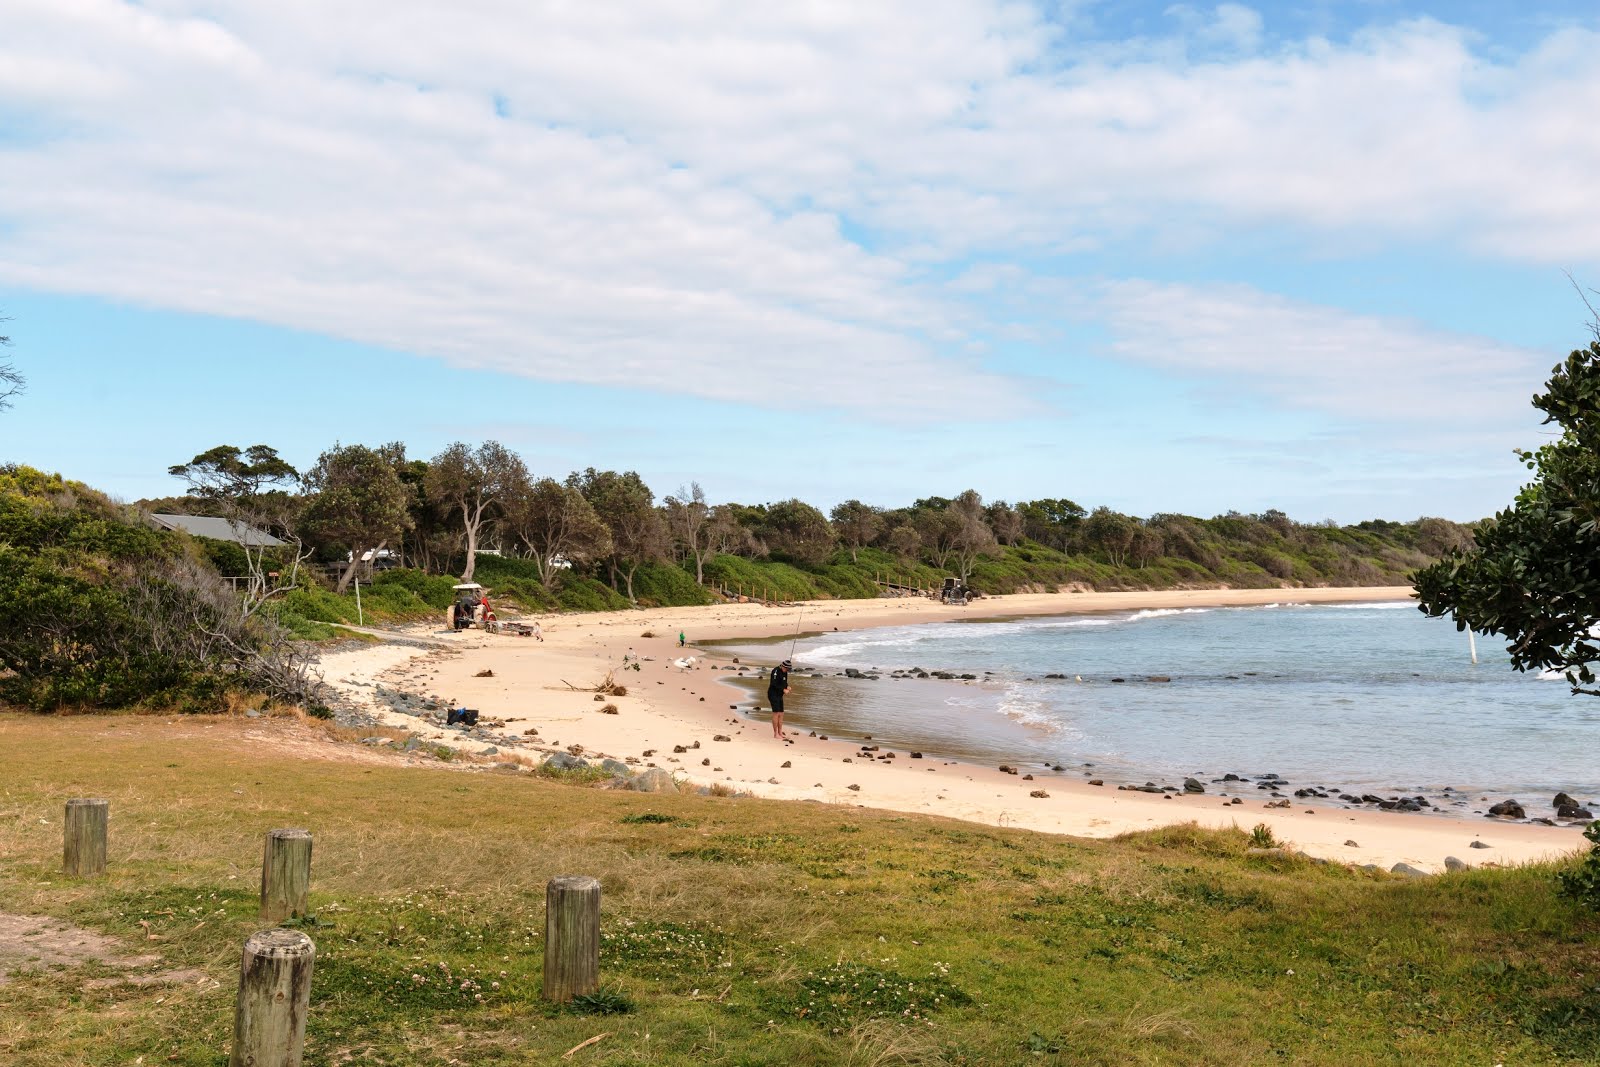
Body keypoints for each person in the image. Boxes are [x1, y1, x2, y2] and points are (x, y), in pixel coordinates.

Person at [767, 659, 792, 739]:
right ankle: (775, 734)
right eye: (786, 669)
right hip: (773, 694)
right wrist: (783, 690)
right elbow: (773, 684)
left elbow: (784, 682)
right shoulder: (776, 671)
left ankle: (780, 732)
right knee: (776, 713)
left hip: (779, 695)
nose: (787, 671)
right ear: (782, 666)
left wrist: (787, 686)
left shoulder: (785, 672)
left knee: (781, 713)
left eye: (788, 669)